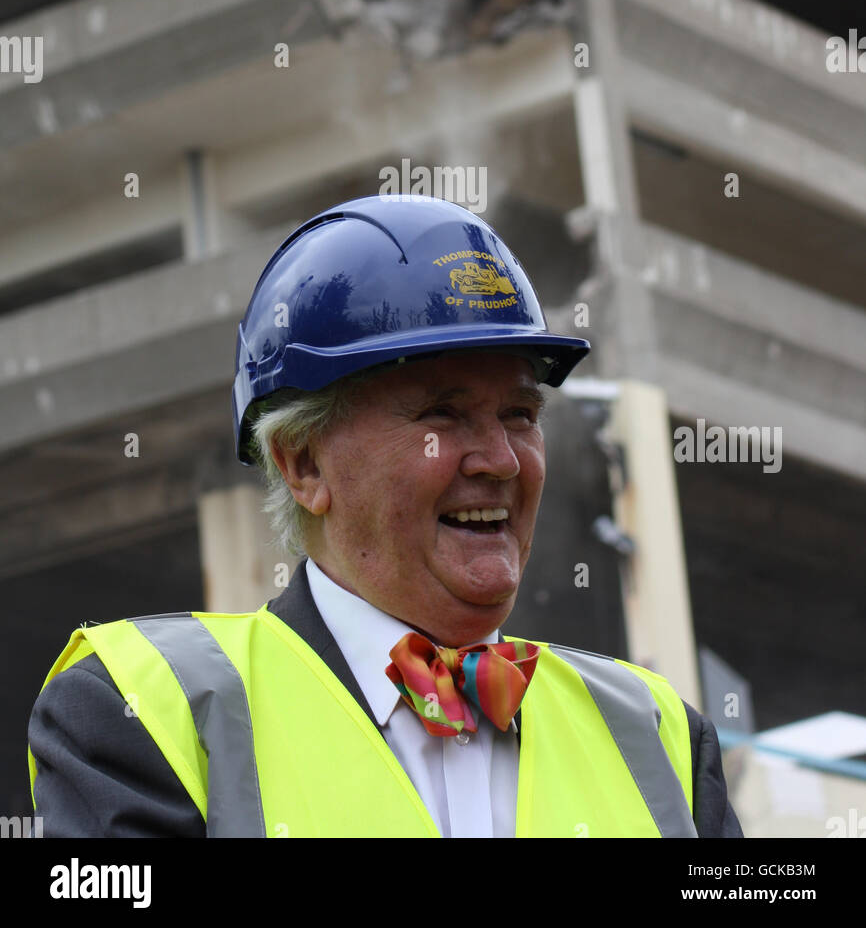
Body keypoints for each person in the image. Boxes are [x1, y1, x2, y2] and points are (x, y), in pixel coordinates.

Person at [28, 194, 742, 838]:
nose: (501, 459)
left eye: (520, 414)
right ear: (303, 464)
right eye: (444, 415)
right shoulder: (141, 709)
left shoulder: (661, 736)